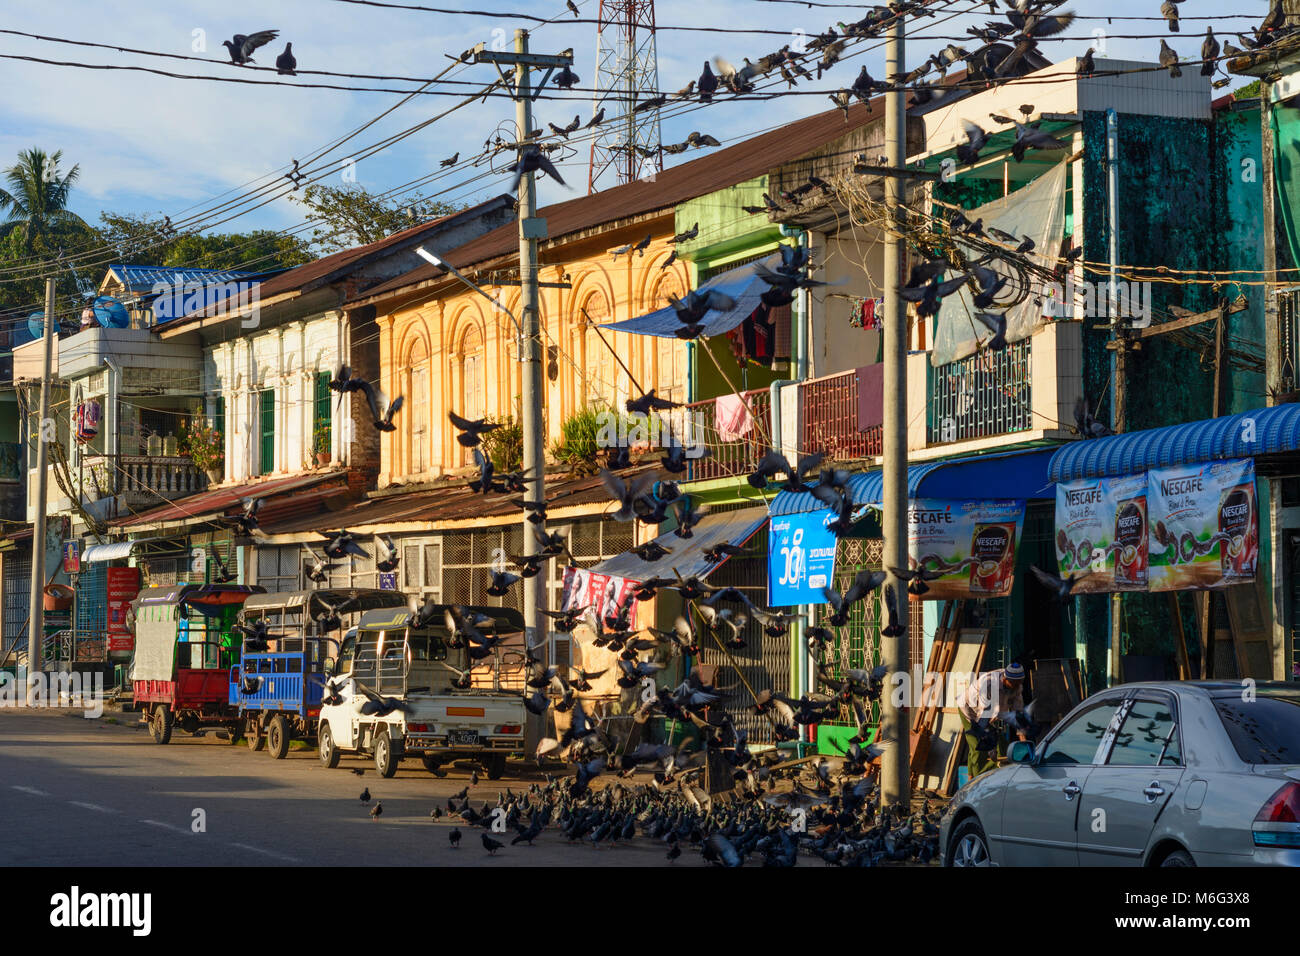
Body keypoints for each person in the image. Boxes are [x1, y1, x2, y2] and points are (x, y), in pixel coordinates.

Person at [958, 661, 1028, 781]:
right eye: (1015, 683)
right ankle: (976, 784)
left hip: (991, 713)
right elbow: (983, 718)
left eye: (1020, 683)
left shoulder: (1017, 686)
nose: (1018, 686)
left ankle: (970, 778)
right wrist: (991, 748)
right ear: (1006, 679)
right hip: (971, 711)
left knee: (1002, 747)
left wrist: (1025, 743)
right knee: (979, 748)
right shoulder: (988, 685)